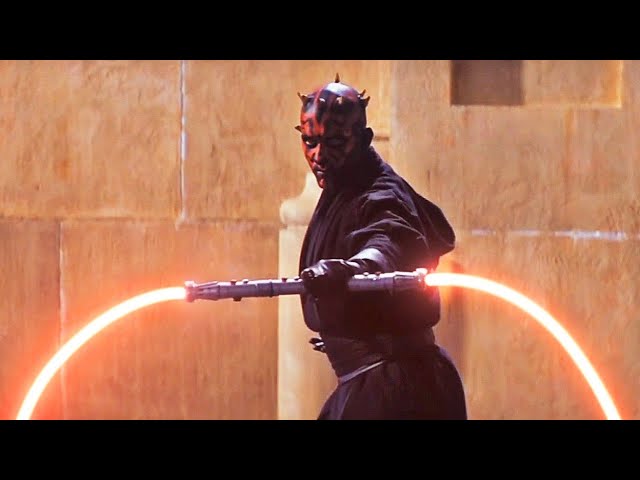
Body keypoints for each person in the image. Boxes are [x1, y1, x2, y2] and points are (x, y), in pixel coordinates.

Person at [295, 74, 467, 420]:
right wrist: (342, 332)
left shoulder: (381, 192)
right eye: (310, 141)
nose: (319, 155)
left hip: (397, 389)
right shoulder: (343, 186)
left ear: (363, 139)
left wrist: (355, 268)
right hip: (373, 380)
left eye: (335, 142)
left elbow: (389, 239)